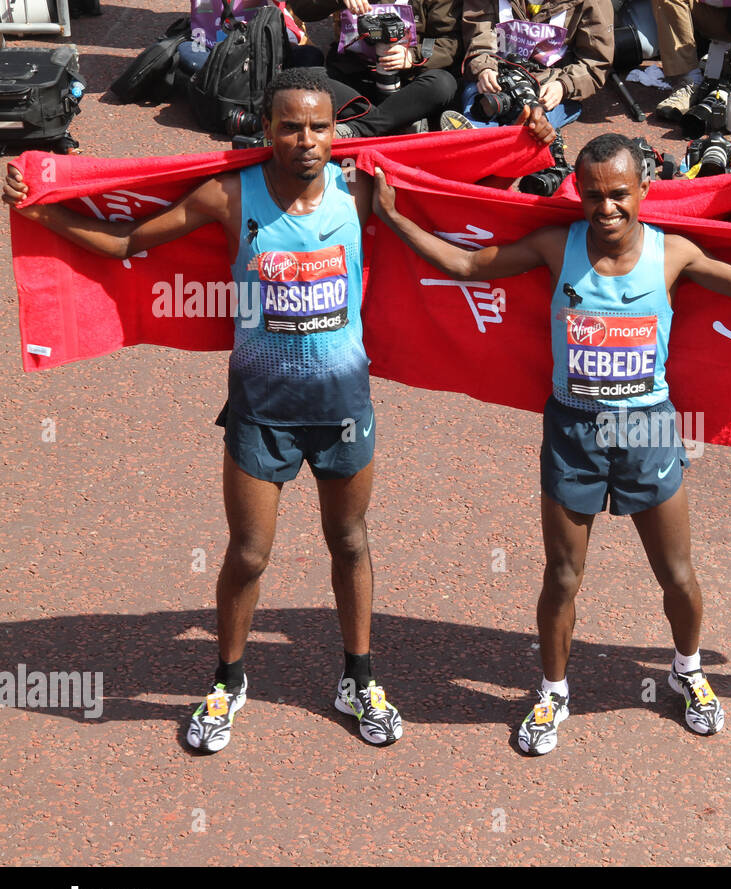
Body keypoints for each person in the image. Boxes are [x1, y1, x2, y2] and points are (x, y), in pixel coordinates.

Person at [369, 131, 731, 755]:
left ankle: (688, 670)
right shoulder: (553, 245)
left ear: (645, 190)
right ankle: (553, 692)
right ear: (579, 193)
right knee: (563, 577)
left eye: (620, 194)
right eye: (593, 195)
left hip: (647, 428)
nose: (607, 208)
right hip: (573, 431)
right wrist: (391, 216)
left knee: (676, 575)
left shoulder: (672, 254)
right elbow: (465, 265)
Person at [4, 69, 406, 752]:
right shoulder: (228, 195)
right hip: (261, 409)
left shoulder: (362, 190)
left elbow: (468, 195)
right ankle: (227, 679)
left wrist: (528, 142)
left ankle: (359, 679)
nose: (306, 140)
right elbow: (132, 241)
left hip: (344, 407)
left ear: (336, 131)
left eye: (319, 126)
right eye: (290, 126)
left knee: (350, 541)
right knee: (249, 555)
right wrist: (40, 211)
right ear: (266, 126)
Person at [291, 0, 465, 138]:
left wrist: (413, 56)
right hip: (355, 83)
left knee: (443, 84)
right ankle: (399, 124)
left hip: (408, 88)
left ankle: (359, 128)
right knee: (302, 80)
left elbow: (449, 40)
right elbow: (302, 9)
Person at [460, 0, 613, 130]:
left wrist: (564, 85)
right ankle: (473, 138)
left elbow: (595, 61)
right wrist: (484, 67)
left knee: (531, 127)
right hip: (498, 75)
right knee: (478, 112)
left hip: (547, 86)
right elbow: (479, 32)